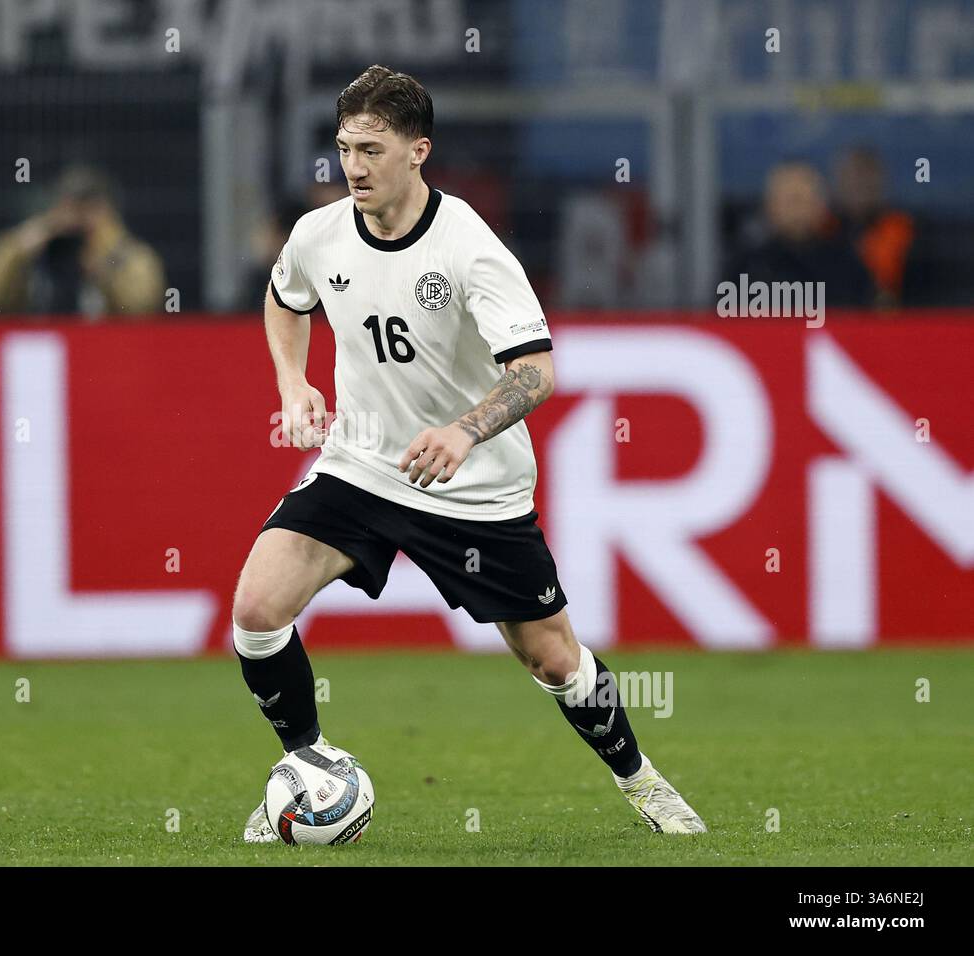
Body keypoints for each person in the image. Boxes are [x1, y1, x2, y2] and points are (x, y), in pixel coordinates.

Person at [235, 65, 707, 842]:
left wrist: (465, 430)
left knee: (553, 660)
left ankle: (641, 780)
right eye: (345, 147)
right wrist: (293, 384)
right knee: (256, 610)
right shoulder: (318, 234)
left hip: (473, 488)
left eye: (373, 150)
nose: (353, 166)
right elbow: (286, 300)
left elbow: (536, 371)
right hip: (361, 465)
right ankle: (311, 767)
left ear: (418, 151)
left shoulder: (471, 249)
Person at [0, 165, 165, 319]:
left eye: (87, 210)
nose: (77, 223)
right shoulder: (34, 244)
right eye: (71, 209)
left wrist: (104, 256)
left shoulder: (127, 254)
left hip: (105, 349)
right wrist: (19, 252)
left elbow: (142, 307)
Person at [723, 162, 874, 307]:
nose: (797, 210)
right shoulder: (746, 268)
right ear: (770, 206)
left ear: (821, 205)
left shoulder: (846, 265)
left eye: (805, 199)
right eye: (790, 200)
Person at [832, 146, 915, 306]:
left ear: (882, 181)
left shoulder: (905, 229)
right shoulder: (824, 230)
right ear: (839, 181)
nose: (861, 185)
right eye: (854, 177)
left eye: (868, 177)